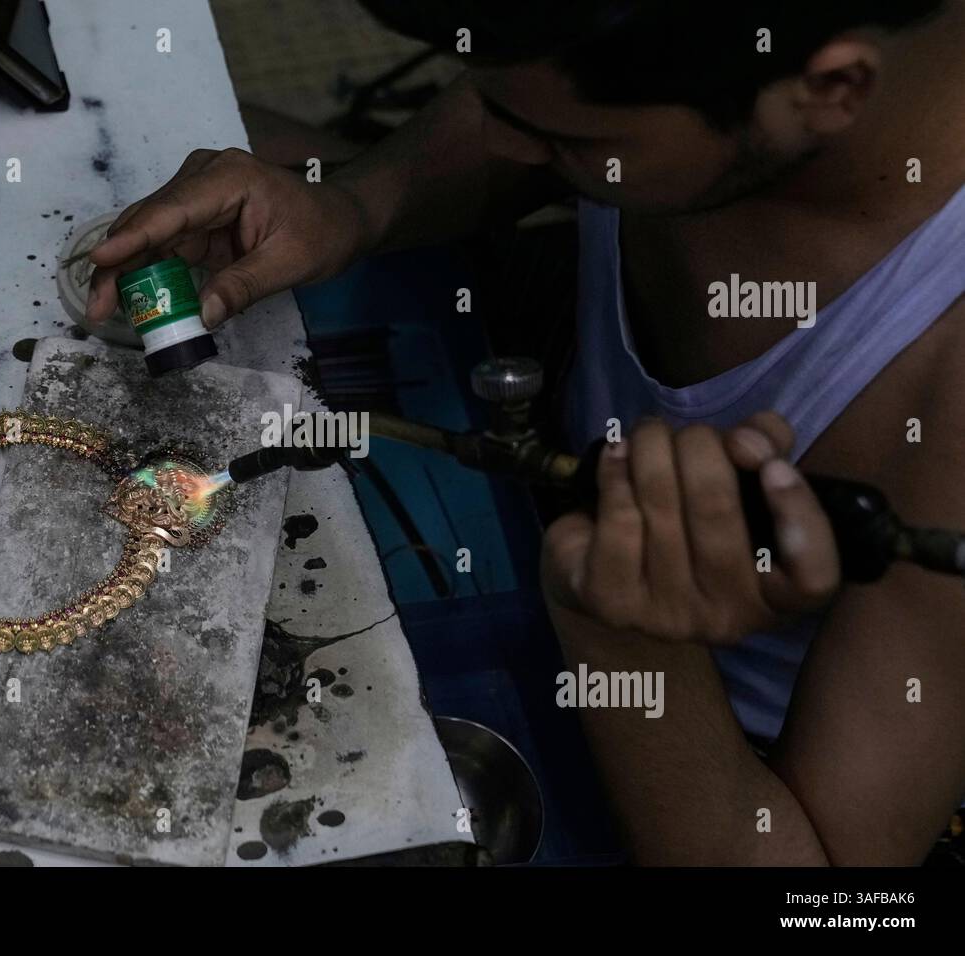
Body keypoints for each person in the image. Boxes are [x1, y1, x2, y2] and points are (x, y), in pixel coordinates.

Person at [84, 1, 965, 865]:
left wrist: (628, 637)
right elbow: (535, 99)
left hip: (706, 745)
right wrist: (356, 202)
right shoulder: (704, 67)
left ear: (834, 87)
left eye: (573, 145)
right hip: (554, 445)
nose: (503, 143)